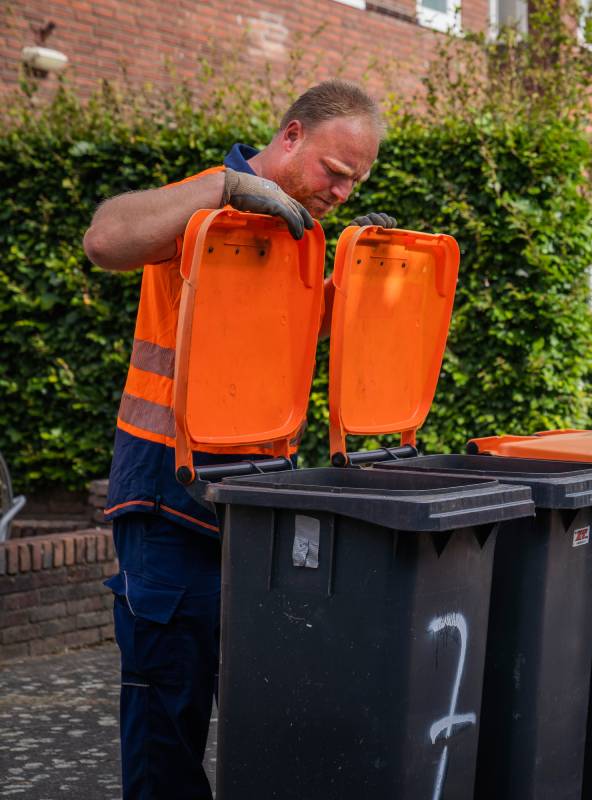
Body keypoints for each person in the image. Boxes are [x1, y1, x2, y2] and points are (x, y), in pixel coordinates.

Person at [82, 79, 395, 800]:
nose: (341, 192)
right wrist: (226, 189)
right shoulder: (209, 201)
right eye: (334, 172)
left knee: (264, 707)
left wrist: (357, 277)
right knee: (167, 715)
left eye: (355, 182)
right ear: (291, 136)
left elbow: (278, 335)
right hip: (167, 498)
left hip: (257, 500)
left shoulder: (302, 231)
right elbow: (105, 237)